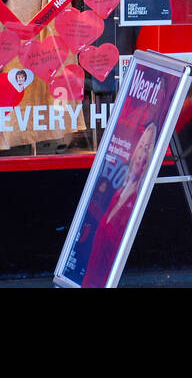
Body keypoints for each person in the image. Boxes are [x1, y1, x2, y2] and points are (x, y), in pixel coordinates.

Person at [76, 121, 159, 287]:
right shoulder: (120, 191)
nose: (142, 153)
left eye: (147, 149)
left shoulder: (136, 199)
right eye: (141, 145)